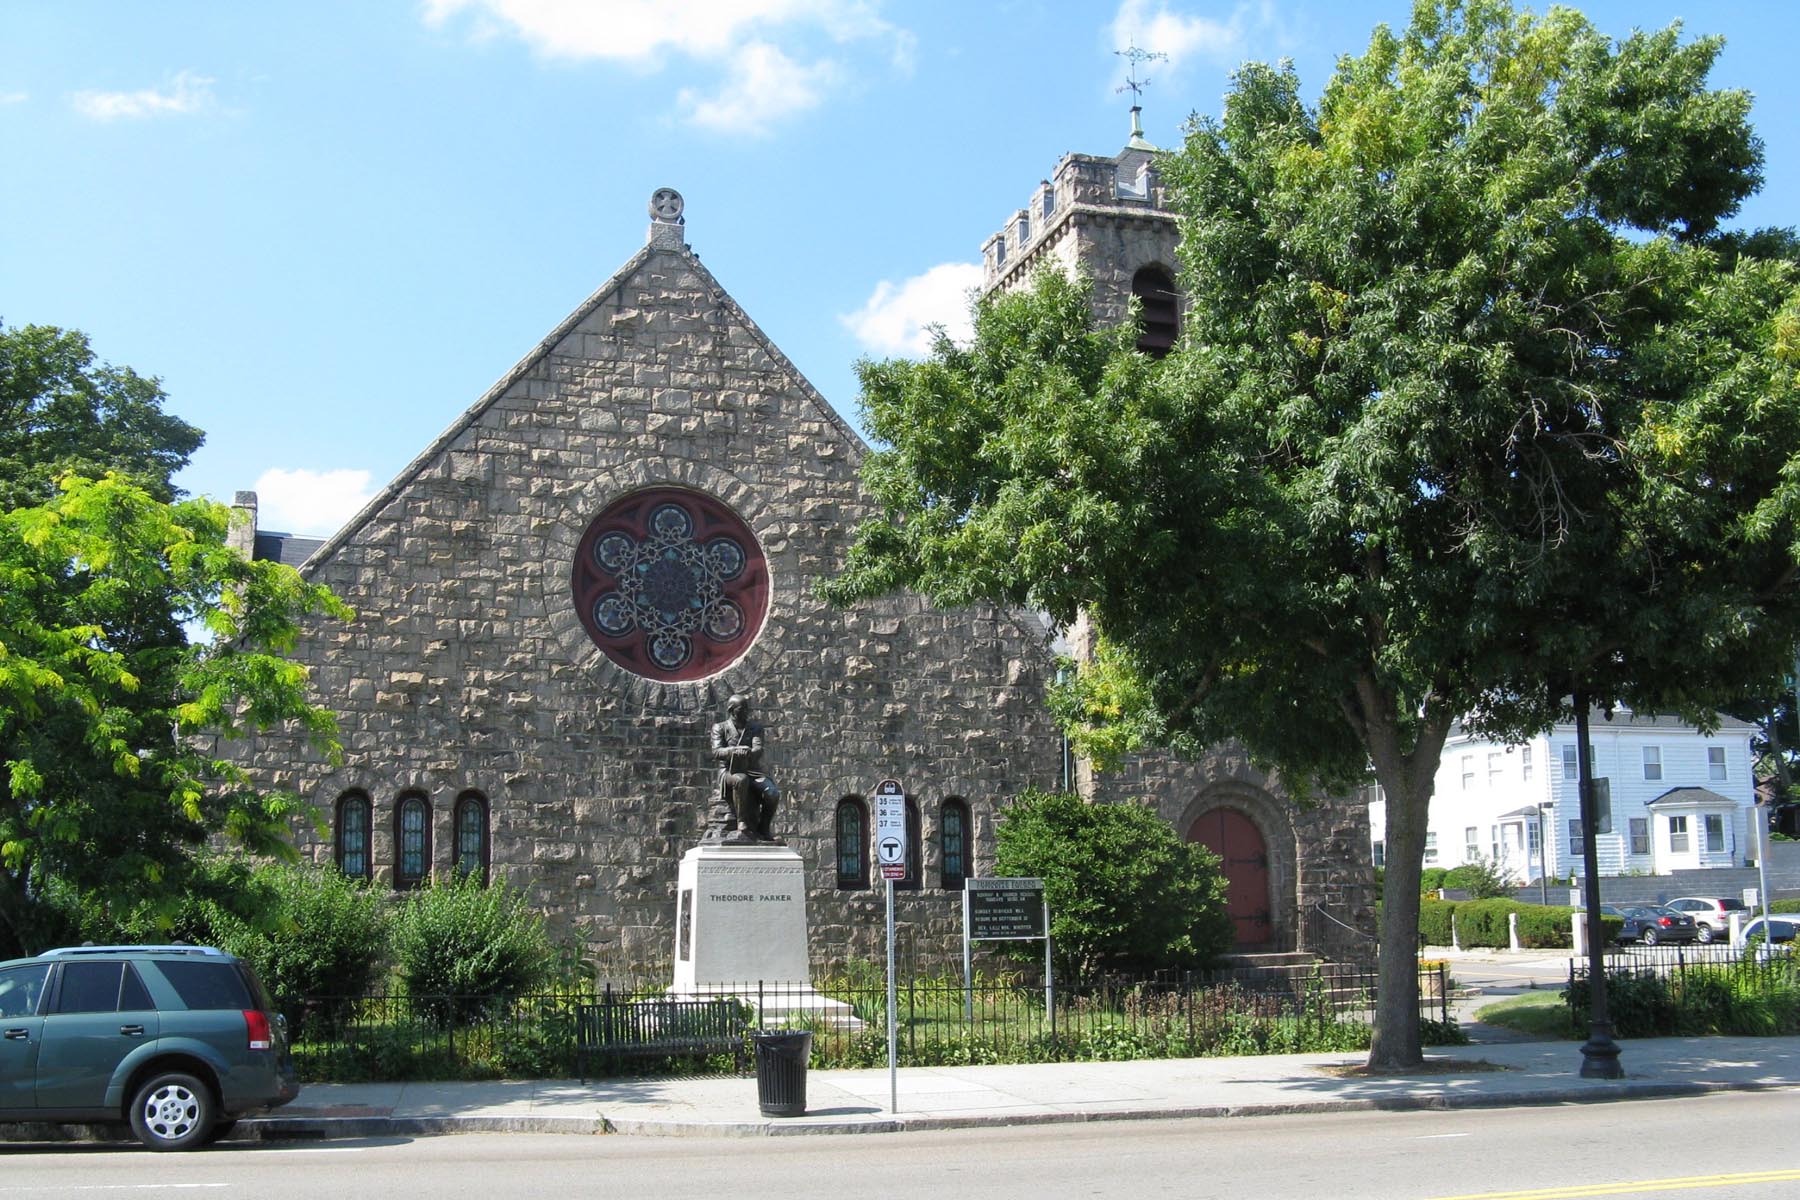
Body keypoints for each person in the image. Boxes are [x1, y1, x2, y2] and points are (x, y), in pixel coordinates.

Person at [710, 694, 780, 841]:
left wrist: (748, 752)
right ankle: (742, 824)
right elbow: (717, 752)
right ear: (732, 710)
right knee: (741, 780)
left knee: (772, 792)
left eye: (747, 709)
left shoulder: (755, 728)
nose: (746, 712)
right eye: (743, 709)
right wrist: (734, 751)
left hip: (752, 771)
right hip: (729, 771)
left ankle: (763, 828)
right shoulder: (720, 728)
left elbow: (758, 749)